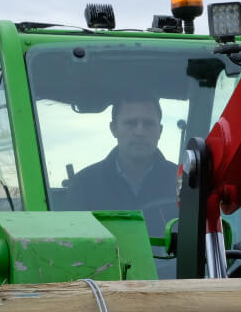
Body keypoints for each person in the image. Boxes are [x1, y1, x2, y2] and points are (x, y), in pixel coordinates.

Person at [59, 98, 179, 233]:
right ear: (113, 129)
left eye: (148, 124)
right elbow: (70, 242)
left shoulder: (184, 184)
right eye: (131, 123)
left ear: (160, 131)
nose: (140, 132)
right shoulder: (84, 185)